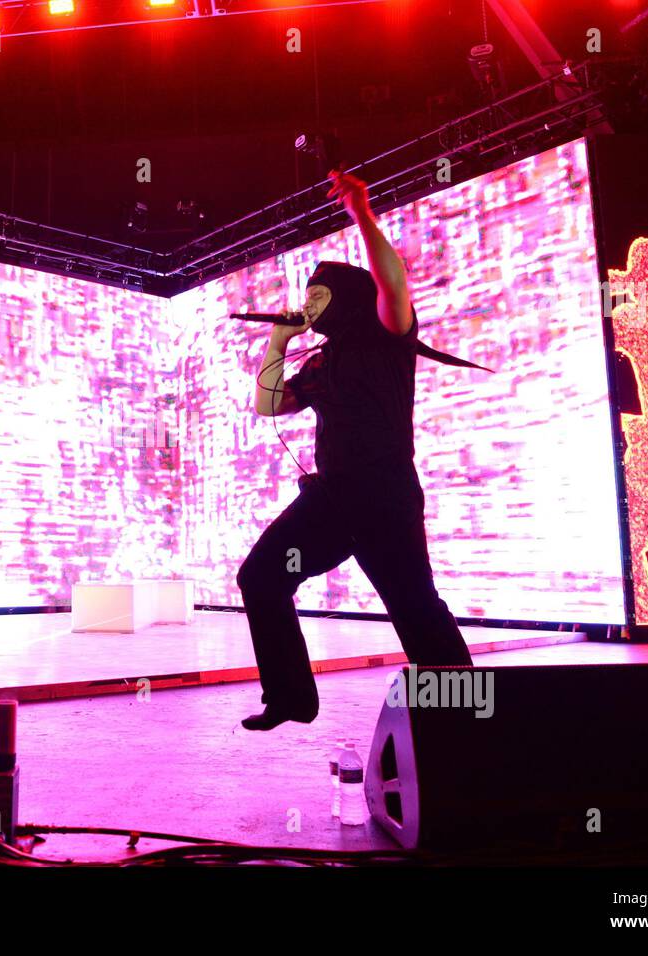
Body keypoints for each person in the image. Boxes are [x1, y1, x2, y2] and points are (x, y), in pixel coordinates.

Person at [238, 171, 474, 732]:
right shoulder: (319, 362)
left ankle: (466, 713)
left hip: (385, 496)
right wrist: (278, 341)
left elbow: (392, 283)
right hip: (333, 500)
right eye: (307, 297)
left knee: (415, 605)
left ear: (348, 299)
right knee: (261, 577)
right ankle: (292, 697)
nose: (310, 305)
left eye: (321, 297)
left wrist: (361, 212)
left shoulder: (386, 335)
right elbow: (268, 406)